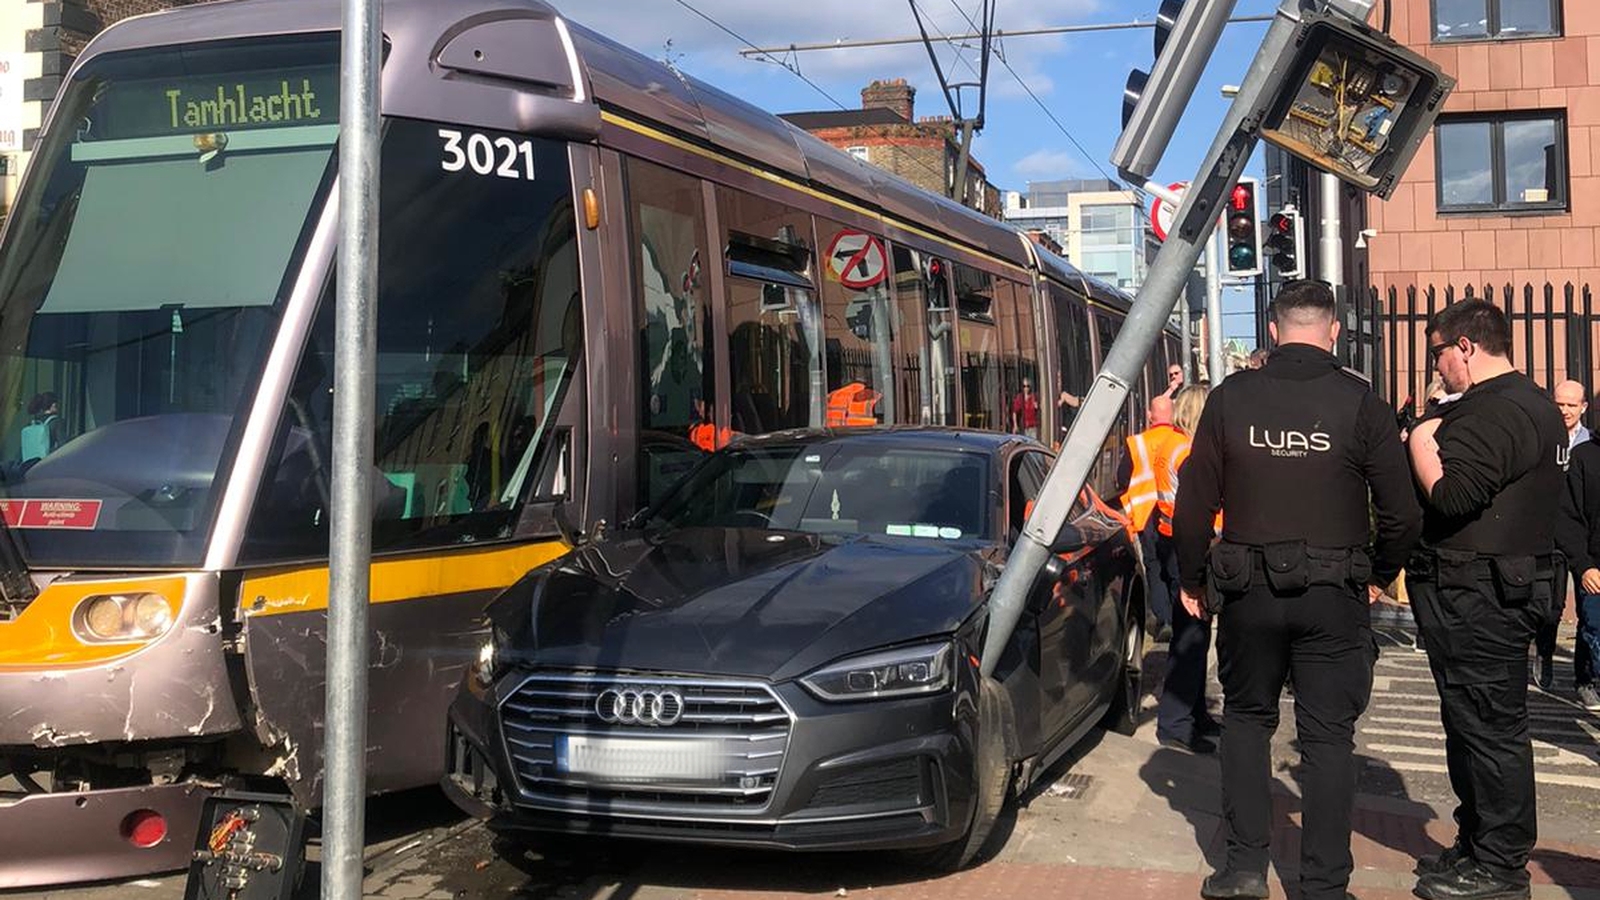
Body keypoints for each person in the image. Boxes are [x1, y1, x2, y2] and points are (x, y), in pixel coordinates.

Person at [1172, 280, 1422, 900]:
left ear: (1273, 330)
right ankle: (1325, 885)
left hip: (1249, 591)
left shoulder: (1230, 399)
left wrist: (1193, 578)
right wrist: (1376, 574)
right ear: (1333, 331)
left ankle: (1244, 870)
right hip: (1334, 592)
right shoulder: (1362, 403)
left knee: (1247, 722)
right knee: (1329, 738)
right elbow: (1402, 513)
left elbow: (1193, 503)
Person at [1404, 299, 1566, 900]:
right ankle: (1478, 845)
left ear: (1465, 347)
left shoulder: (1496, 411)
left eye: (1438, 353)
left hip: (1481, 597)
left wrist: (1422, 440)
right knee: (1473, 725)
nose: (1437, 366)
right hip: (1488, 591)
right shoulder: (1530, 403)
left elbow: (1453, 496)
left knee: (1489, 729)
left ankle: (1499, 865)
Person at [1156, 383, 1219, 754]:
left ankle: (1193, 714)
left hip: (1171, 543)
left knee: (1193, 635)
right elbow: (1198, 510)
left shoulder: (1172, 446)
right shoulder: (1188, 453)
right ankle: (1177, 723)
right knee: (1191, 639)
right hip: (1190, 548)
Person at [1536, 380, 1592, 689]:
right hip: (1549, 532)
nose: (1565, 410)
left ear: (1584, 407)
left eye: (1572, 405)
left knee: (1588, 607)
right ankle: (1544, 653)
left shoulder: (1590, 444)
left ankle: (1584, 677)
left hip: (1583, 535)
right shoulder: (1541, 438)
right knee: (1551, 605)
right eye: (1560, 404)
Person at [1117, 395, 1186, 637]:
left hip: (1146, 514)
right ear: (1173, 414)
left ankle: (1164, 619)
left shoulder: (1137, 443)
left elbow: (1122, 478)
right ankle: (1179, 618)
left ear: (1149, 415)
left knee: (1154, 566)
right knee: (1176, 567)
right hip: (1174, 512)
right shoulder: (1181, 440)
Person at [1556, 430, 1600, 711]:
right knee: (1593, 628)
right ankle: (1586, 680)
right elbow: (1568, 518)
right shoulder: (1584, 457)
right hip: (1595, 570)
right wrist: (1584, 565)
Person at [20, 392, 62, 463]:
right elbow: (63, 445)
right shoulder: (56, 422)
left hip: (31, 465)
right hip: (48, 463)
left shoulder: (32, 424)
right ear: (54, 404)